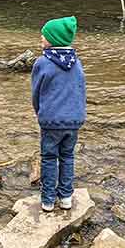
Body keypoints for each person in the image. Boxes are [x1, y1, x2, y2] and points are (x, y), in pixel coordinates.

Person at [31, 16, 86, 213]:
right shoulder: (77, 63)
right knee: (67, 157)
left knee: (48, 158)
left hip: (51, 121)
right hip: (73, 120)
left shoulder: (42, 62)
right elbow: (81, 90)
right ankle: (65, 198)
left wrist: (39, 113)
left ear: (53, 39)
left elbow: (36, 92)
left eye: (44, 36)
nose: (41, 39)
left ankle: (47, 200)